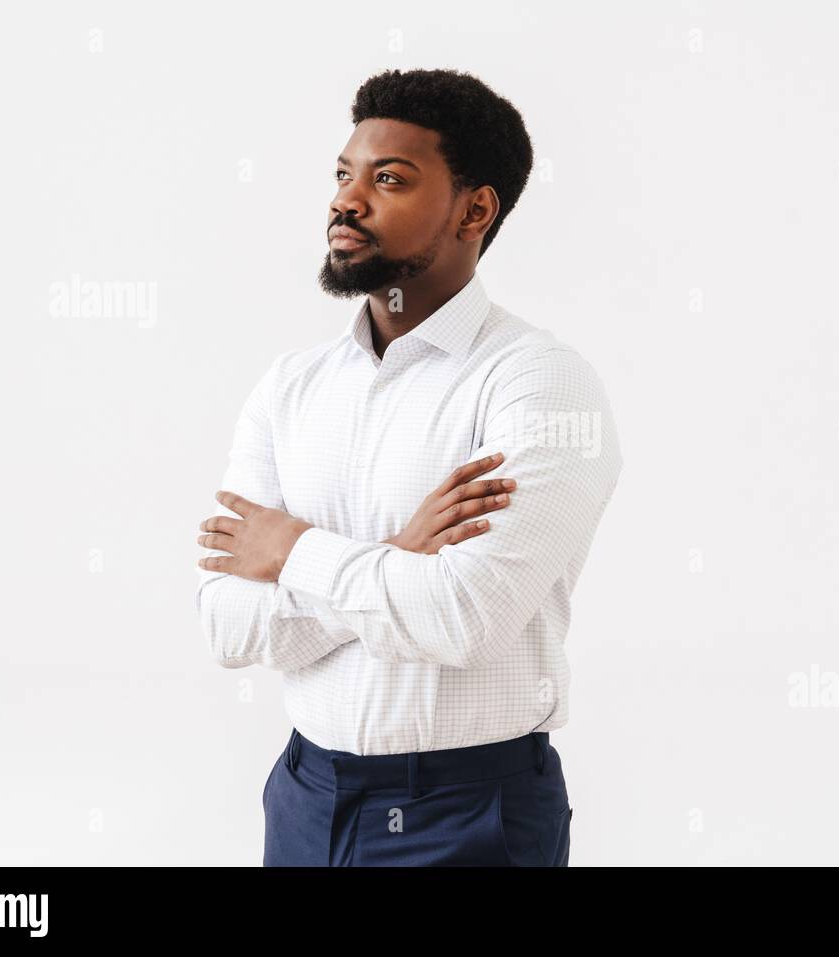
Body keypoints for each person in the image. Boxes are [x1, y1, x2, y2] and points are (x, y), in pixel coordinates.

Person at [194, 68, 622, 866]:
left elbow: (464, 618)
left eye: (388, 179)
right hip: (303, 795)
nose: (346, 201)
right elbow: (224, 621)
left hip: (468, 809)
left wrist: (290, 550)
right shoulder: (291, 386)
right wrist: (393, 556)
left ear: (475, 208)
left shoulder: (536, 383)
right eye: (343, 175)